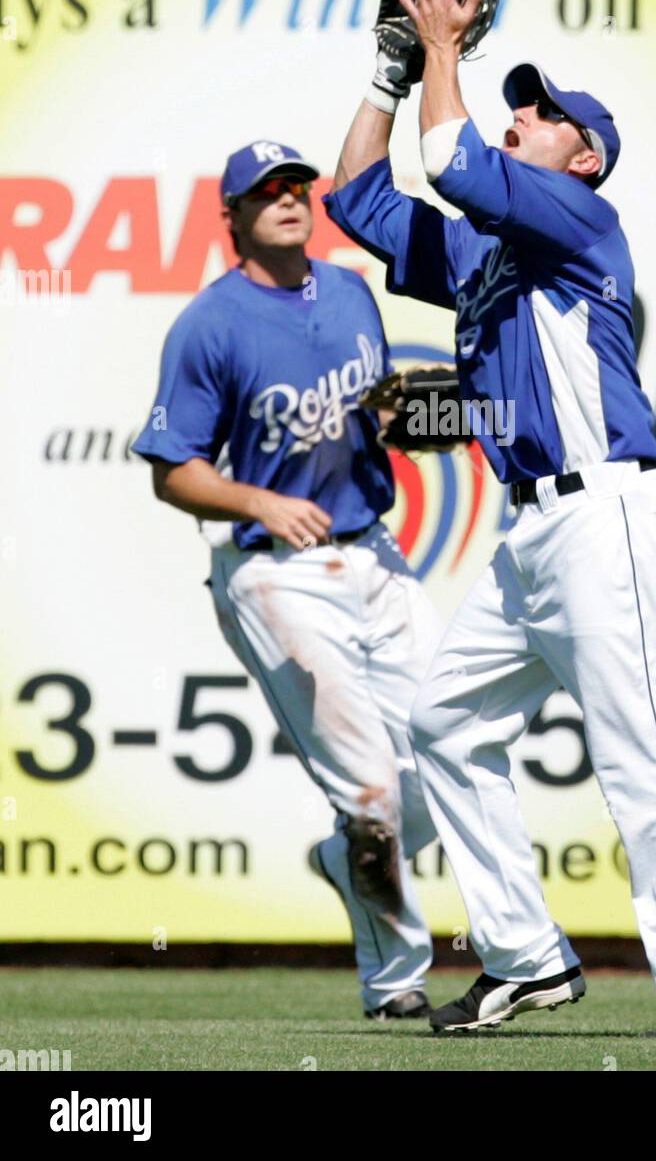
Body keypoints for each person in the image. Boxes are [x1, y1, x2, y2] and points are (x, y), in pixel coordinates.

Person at [324, 0, 656, 1038]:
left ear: (587, 158)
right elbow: (353, 196)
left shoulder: (578, 227)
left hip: (606, 516)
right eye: (520, 104)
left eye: (547, 114)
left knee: (645, 756)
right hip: (536, 537)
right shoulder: (491, 254)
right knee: (445, 725)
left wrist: (443, 47)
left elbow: (454, 157)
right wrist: (393, 66)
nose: (525, 115)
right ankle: (526, 957)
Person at [132, 138, 442, 1020]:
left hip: (371, 554)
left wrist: (422, 413)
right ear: (231, 216)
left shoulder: (347, 291)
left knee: (450, 749)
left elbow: (374, 407)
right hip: (276, 574)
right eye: (265, 190)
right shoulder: (210, 325)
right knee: (371, 788)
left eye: (297, 184)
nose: (288, 198)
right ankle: (395, 985)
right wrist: (258, 502)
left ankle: (350, 859)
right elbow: (171, 469)